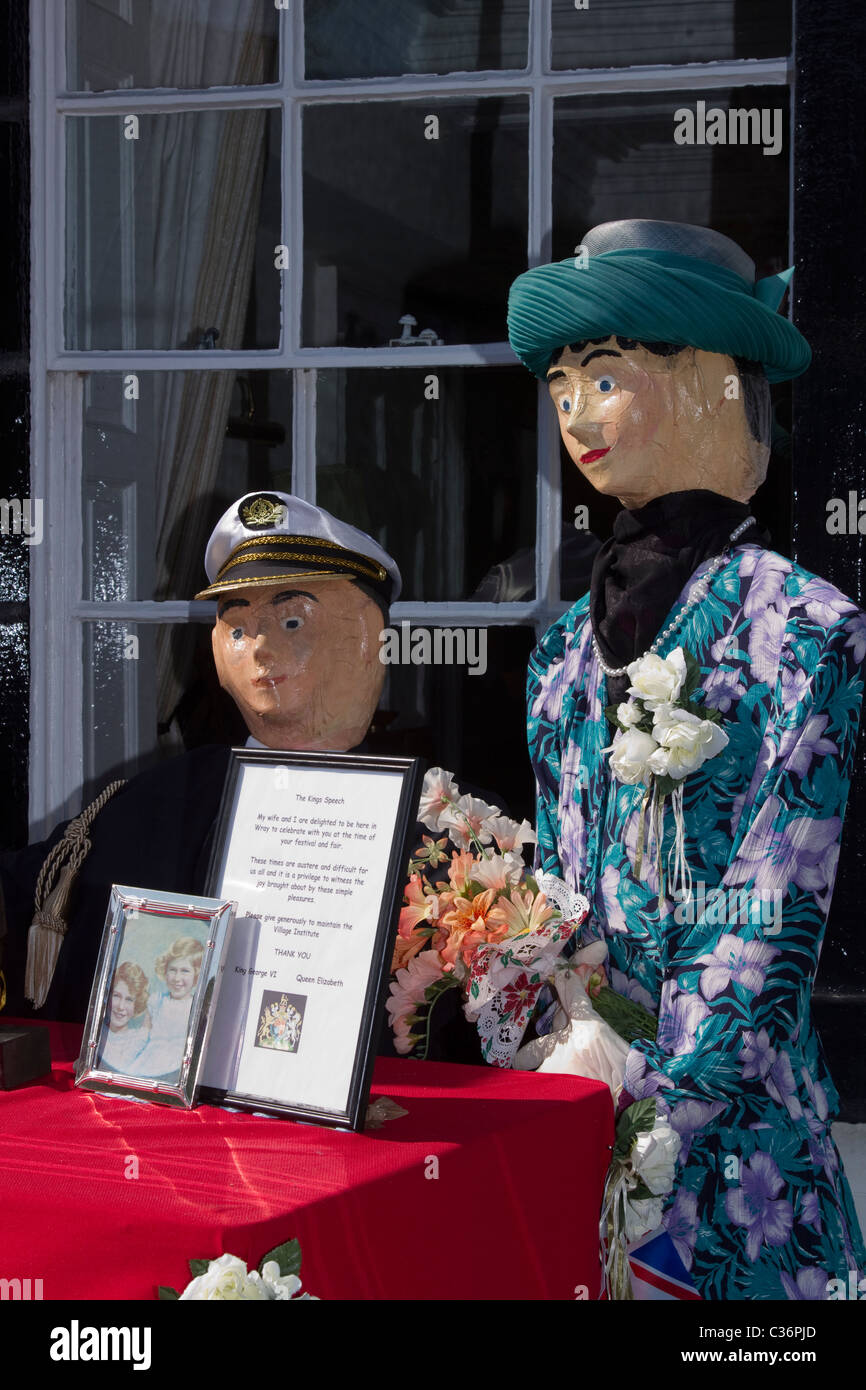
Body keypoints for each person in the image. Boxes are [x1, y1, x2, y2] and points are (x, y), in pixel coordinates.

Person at [507, 219, 866, 1300]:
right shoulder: (559, 653)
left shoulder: (801, 628)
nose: (574, 414)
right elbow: (552, 899)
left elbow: (768, 918)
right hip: (575, 1138)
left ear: (712, 382)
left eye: (603, 376)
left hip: (737, 1162)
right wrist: (546, 1070)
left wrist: (644, 1120)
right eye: (560, 385)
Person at [0, 492, 400, 1024]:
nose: (257, 650)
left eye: (292, 623)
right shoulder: (149, 805)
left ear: (366, 640)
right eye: (237, 629)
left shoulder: (439, 828)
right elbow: (23, 890)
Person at [134, 936, 204, 1081]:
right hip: (149, 1060)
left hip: (177, 1067)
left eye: (185, 971)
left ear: (196, 975)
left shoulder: (195, 1007)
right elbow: (143, 1033)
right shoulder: (157, 1001)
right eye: (173, 970)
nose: (177, 978)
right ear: (165, 972)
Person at [99, 960, 149, 1073]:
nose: (121, 1006)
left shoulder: (139, 1040)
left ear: (137, 1004)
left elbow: (119, 1065)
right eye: (116, 996)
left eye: (129, 999)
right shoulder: (97, 1032)